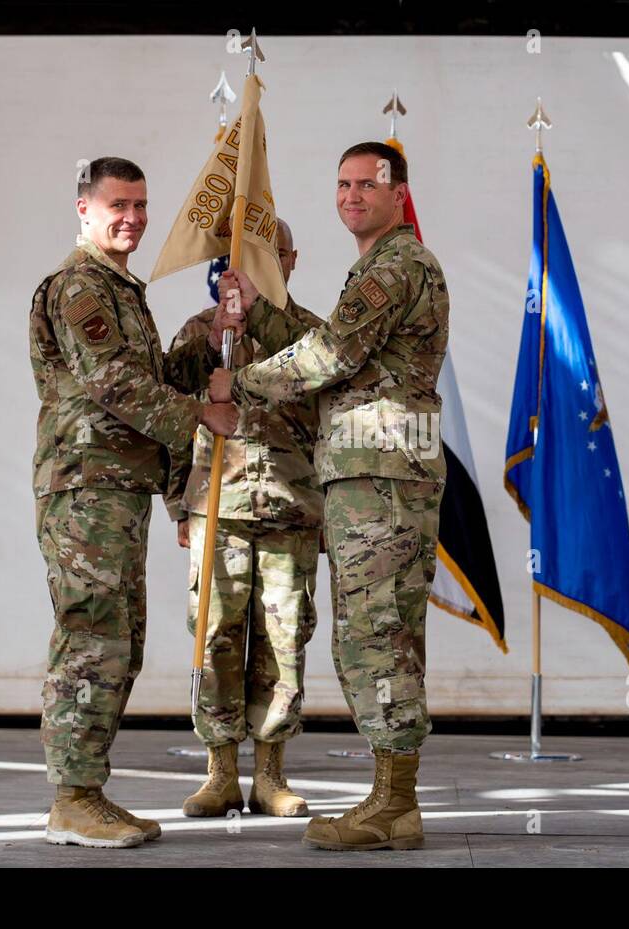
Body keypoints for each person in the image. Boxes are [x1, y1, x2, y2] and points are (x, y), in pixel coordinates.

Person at [209, 142, 448, 851]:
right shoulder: (378, 267)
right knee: (373, 636)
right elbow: (337, 345)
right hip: (370, 479)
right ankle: (390, 798)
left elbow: (333, 357)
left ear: (398, 193)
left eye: (366, 184)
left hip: (382, 483)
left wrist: (241, 384)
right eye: (342, 184)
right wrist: (258, 309)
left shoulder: (399, 265)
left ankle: (394, 805)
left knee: (378, 637)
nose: (351, 195)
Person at [29, 156, 238, 848]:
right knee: (92, 638)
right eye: (118, 204)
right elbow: (113, 383)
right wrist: (199, 418)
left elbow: (150, 378)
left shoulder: (123, 290)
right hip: (85, 488)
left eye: (142, 204)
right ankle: (71, 799)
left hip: (117, 492)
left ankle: (89, 789)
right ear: (84, 208)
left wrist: (213, 334)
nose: (133, 217)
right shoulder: (79, 288)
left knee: (121, 642)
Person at [160, 219, 323, 818]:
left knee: (284, 640)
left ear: (291, 258)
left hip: (290, 510)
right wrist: (180, 501)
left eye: (269, 255)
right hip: (217, 511)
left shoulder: (310, 336)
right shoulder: (200, 333)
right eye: (243, 257)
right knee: (215, 636)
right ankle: (220, 773)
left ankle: (271, 776)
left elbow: (331, 420)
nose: (255, 268)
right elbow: (174, 418)